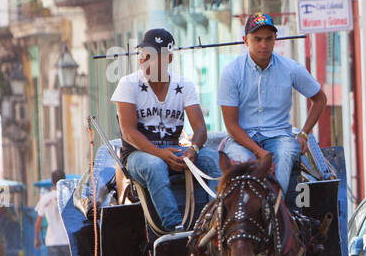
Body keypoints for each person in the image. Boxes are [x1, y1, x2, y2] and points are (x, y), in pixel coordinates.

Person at [112, 28, 221, 232]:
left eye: (154, 57)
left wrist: (194, 150)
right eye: (144, 56)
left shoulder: (184, 85)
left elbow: (200, 129)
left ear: (169, 58)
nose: (146, 62)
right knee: (155, 166)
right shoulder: (127, 84)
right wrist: (161, 154)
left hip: (174, 149)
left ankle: (220, 217)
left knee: (213, 159)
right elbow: (128, 132)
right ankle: (174, 227)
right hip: (137, 154)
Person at [219, 14, 328, 206]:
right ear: (246, 41)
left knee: (285, 155)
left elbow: (319, 99)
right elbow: (231, 125)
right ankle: (243, 213)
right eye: (257, 39)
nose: (264, 45)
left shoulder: (290, 68)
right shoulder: (231, 72)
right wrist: (259, 152)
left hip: (279, 137)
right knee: (245, 162)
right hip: (242, 139)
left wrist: (303, 134)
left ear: (275, 39)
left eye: (269, 38)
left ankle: (276, 208)